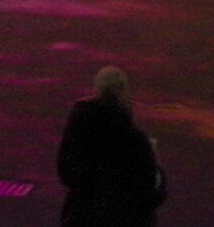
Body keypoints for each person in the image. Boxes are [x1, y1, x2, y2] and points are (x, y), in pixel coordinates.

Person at [56, 67, 166, 227]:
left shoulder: (76, 137)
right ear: (124, 91)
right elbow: (151, 194)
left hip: (82, 218)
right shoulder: (136, 142)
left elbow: (67, 176)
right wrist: (155, 163)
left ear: (96, 90)